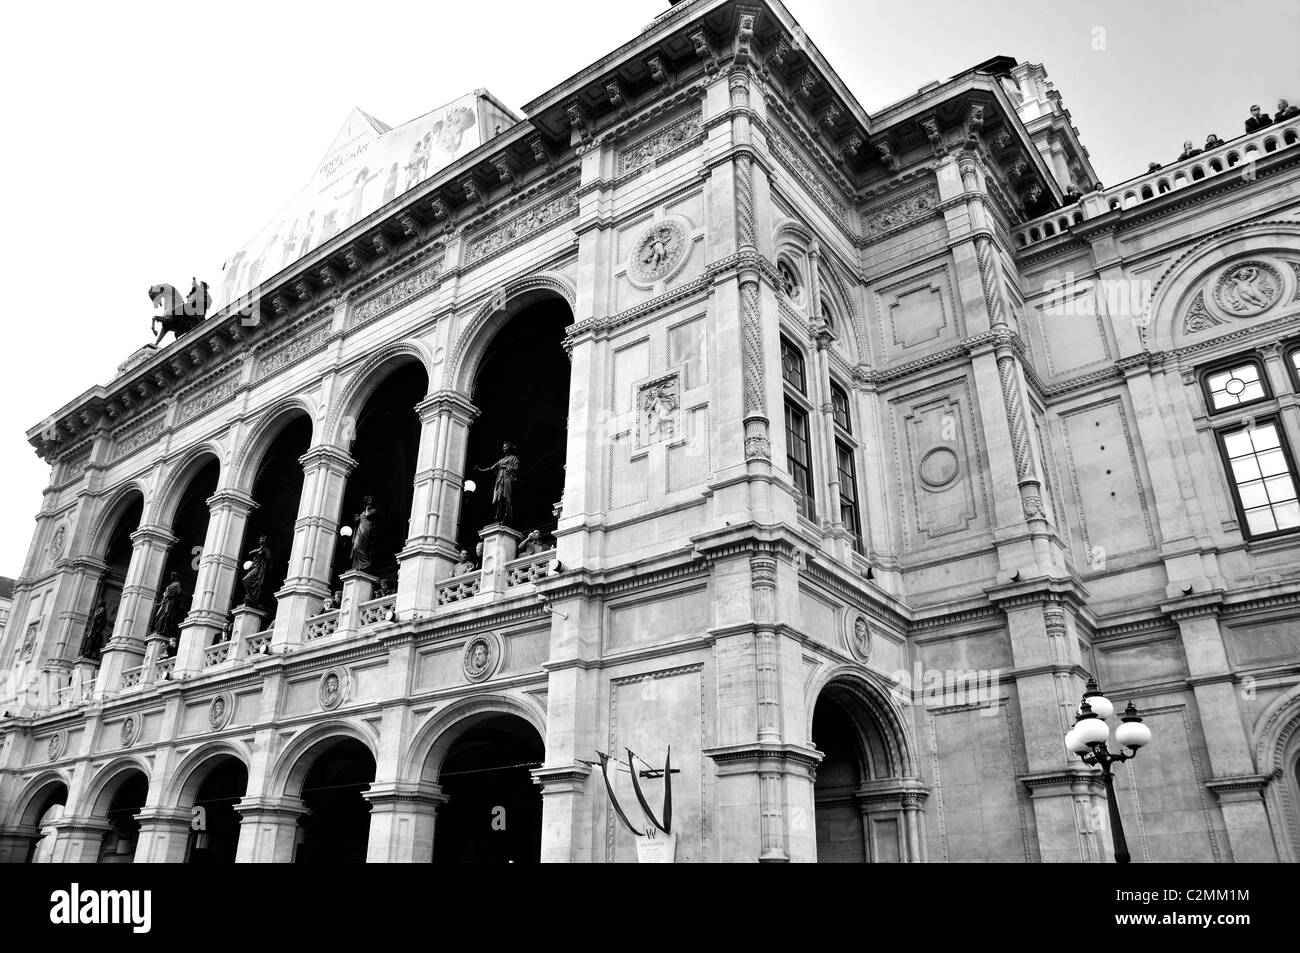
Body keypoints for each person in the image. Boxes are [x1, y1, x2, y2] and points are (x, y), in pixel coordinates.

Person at [478, 442, 521, 525]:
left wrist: (505, 467)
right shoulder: (501, 460)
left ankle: (507, 515)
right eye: (503, 447)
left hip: (507, 477)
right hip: (499, 478)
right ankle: (498, 515)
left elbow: (516, 468)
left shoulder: (514, 458)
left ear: (509, 448)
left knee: (507, 496)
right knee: (499, 496)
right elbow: (491, 468)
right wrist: (481, 470)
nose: (503, 448)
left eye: (505, 447)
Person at [151, 572, 184, 651]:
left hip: (170, 603)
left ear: (175, 576)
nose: (171, 577)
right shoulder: (172, 584)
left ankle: (164, 630)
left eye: (172, 576)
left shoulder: (178, 584)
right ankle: (159, 629)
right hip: (166, 602)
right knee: (158, 615)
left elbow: (179, 593)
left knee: (166, 615)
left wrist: (170, 594)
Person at [242, 535, 271, 607]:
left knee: (246, 579)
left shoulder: (266, 550)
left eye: (262, 539)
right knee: (245, 580)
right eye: (260, 539)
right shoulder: (260, 549)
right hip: (255, 567)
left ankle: (253, 597)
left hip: (260, 569)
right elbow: (253, 553)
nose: (260, 540)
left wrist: (263, 554)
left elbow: (269, 559)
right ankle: (251, 596)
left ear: (265, 541)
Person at [350, 496, 377, 571]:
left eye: (371, 500)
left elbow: (368, 515)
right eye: (368, 500)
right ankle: (361, 564)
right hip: (360, 528)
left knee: (364, 546)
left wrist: (367, 507)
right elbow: (358, 520)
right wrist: (356, 519)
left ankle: (365, 564)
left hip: (367, 527)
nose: (369, 501)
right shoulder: (362, 512)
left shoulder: (373, 510)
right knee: (356, 546)